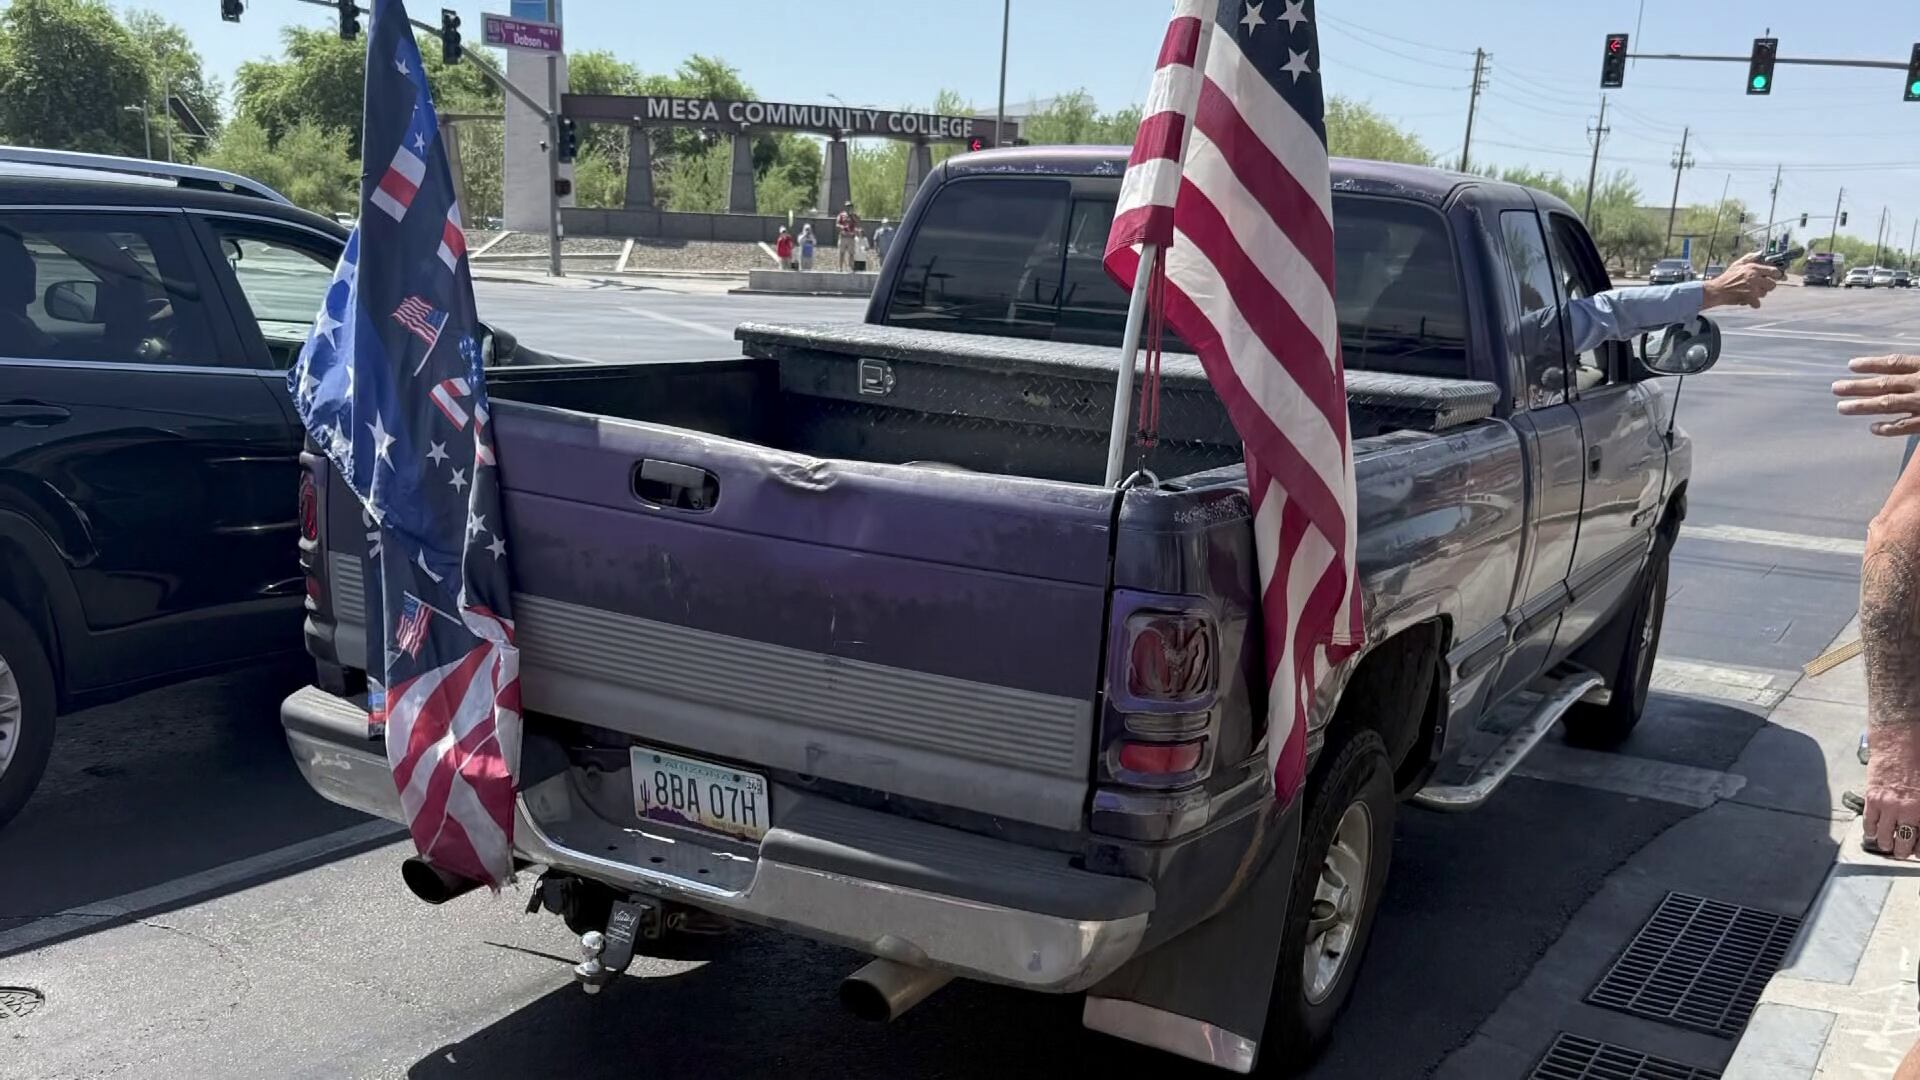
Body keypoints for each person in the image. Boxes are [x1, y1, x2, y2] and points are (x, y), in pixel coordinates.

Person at [836, 201, 860, 272]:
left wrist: (852, 216)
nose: (848, 207)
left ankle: (851, 268)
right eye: (847, 206)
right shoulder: (841, 215)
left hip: (851, 237)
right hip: (843, 236)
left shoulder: (854, 215)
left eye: (850, 206)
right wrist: (842, 227)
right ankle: (840, 268)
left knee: (851, 253)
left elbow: (858, 222)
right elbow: (837, 224)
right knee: (841, 253)